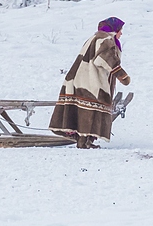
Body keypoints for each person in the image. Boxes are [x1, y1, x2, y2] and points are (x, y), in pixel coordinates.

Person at [49, 17, 131, 149]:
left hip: (80, 79)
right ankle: (83, 142)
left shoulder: (95, 38)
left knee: (83, 110)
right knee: (90, 111)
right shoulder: (105, 40)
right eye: (120, 31)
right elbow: (104, 59)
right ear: (114, 30)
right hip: (91, 82)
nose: (121, 34)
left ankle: (85, 141)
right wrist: (122, 75)